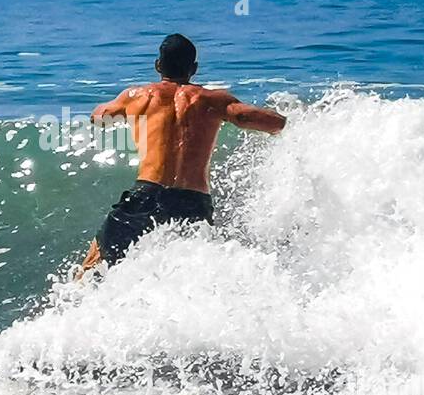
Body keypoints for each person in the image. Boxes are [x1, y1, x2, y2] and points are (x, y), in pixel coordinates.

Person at [77, 33, 286, 275]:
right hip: (192, 202)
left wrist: (121, 109)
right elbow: (250, 117)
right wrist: (285, 120)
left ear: (158, 65)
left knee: (94, 265)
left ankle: (77, 310)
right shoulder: (212, 99)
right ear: (194, 68)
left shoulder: (137, 97)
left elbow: (98, 118)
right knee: (194, 274)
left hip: (146, 195)